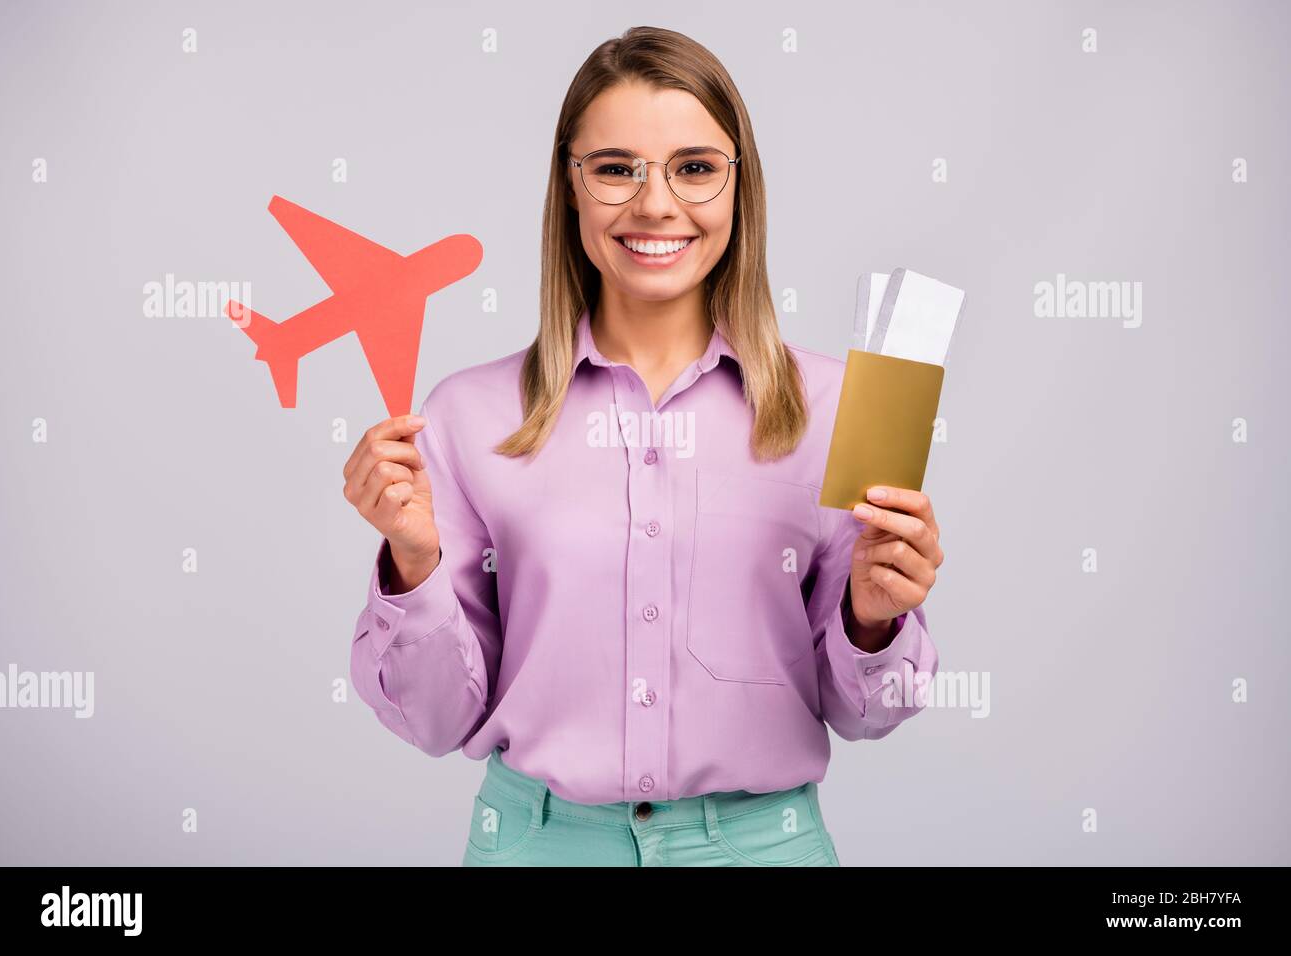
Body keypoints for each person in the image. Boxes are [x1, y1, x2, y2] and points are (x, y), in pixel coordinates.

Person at [341, 25, 944, 867]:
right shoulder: (468, 416)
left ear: (740, 187)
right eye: (617, 167)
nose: (655, 204)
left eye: (694, 168)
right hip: (537, 848)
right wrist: (411, 563)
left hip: (764, 848)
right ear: (572, 187)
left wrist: (875, 623)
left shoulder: (845, 406)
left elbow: (870, 712)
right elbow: (435, 721)